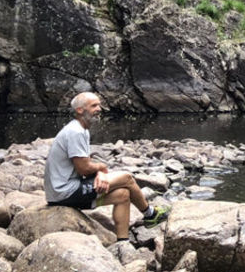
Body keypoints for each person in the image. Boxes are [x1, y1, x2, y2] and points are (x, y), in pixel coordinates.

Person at [44, 91, 169, 242]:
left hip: (62, 193)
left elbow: (85, 165)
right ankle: (150, 214)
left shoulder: (80, 129)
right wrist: (102, 168)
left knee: (123, 194)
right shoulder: (76, 132)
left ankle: (122, 242)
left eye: (99, 105)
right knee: (127, 178)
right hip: (65, 192)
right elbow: (84, 168)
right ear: (80, 110)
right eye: (94, 106)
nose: (99, 109)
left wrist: (100, 174)